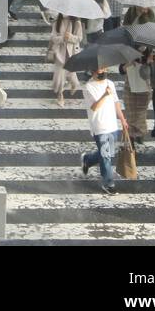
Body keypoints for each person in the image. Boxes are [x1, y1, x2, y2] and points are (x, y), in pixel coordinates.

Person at [81, 66, 131, 194]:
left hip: (112, 124)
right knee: (106, 156)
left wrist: (122, 119)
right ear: (93, 71)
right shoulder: (88, 87)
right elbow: (94, 107)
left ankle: (88, 159)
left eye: (104, 68)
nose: (103, 71)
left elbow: (116, 103)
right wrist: (104, 94)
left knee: (107, 153)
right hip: (99, 125)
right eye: (100, 69)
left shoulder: (110, 84)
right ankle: (108, 183)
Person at [49, 12, 84, 106]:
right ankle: (60, 95)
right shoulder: (57, 21)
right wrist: (62, 38)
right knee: (59, 75)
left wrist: (71, 37)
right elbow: (53, 37)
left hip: (72, 53)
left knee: (71, 73)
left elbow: (79, 38)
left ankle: (74, 84)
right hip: (59, 53)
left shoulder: (76, 22)